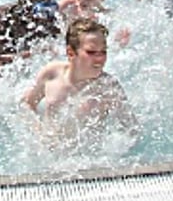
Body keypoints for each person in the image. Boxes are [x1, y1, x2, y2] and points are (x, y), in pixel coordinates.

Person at [21, 19, 138, 147]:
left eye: (103, 51)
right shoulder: (52, 73)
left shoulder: (108, 87)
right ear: (71, 53)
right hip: (49, 156)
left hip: (85, 161)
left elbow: (131, 130)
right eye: (91, 52)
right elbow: (27, 104)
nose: (100, 58)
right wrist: (39, 133)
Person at [0, 0, 62, 65]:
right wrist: (35, 54)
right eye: (39, 11)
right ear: (23, 4)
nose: (43, 16)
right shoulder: (3, 17)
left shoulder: (51, 17)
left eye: (48, 8)